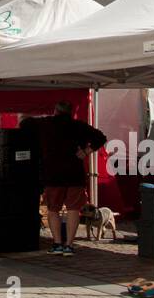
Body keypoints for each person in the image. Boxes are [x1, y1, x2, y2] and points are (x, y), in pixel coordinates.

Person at [24, 101, 107, 256]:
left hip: (52, 173)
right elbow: (101, 137)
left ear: (55, 110)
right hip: (74, 173)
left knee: (53, 209)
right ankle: (69, 244)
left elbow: (25, 124)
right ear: (71, 112)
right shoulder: (79, 126)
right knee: (73, 209)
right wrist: (86, 151)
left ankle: (57, 243)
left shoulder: (46, 123)